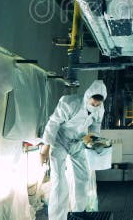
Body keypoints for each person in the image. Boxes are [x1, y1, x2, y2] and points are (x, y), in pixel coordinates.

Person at [41, 80, 107, 220]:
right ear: (87, 96)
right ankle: (57, 218)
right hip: (60, 140)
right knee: (59, 181)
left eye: (97, 104)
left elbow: (95, 126)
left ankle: (78, 212)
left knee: (83, 177)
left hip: (78, 142)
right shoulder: (69, 103)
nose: (94, 106)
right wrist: (45, 149)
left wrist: (94, 142)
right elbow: (53, 123)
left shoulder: (100, 109)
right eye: (92, 103)